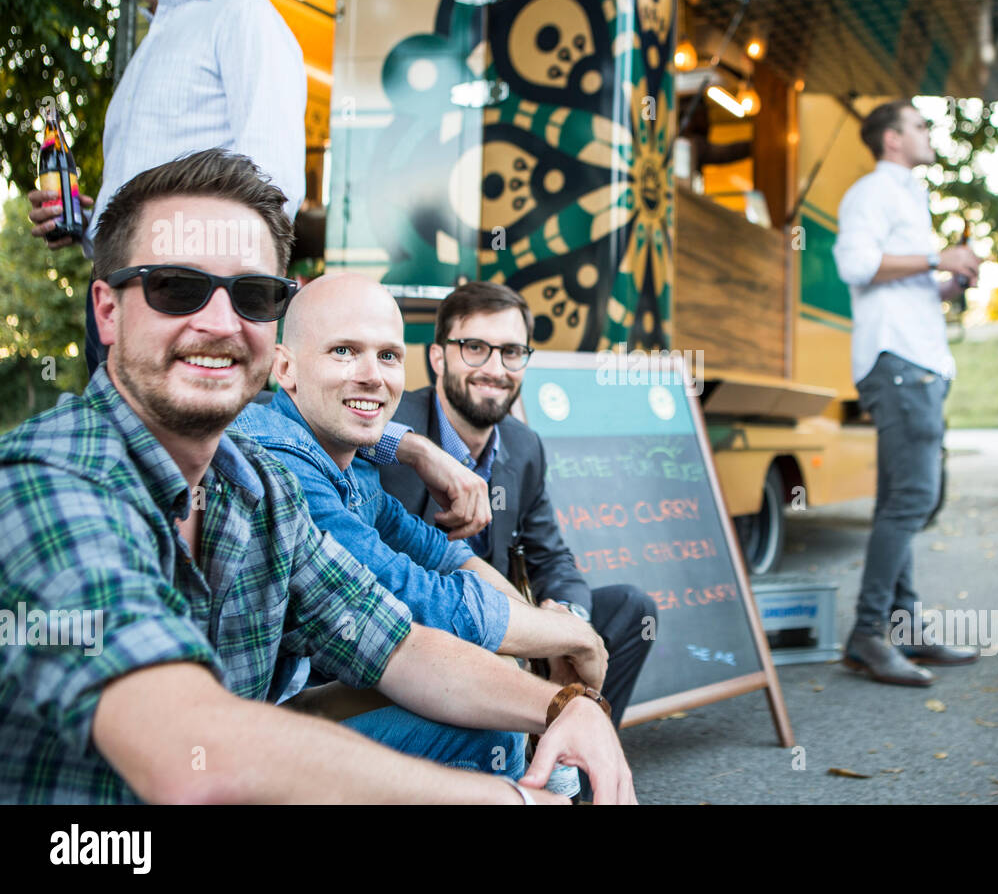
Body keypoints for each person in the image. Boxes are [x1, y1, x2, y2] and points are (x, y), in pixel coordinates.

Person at [0, 150, 634, 803]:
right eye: (176, 287)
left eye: (252, 295)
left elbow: (398, 644)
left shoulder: (255, 488)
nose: (219, 323)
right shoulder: (47, 485)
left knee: (488, 731)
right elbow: (189, 755)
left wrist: (563, 707)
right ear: (107, 312)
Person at [231, 275, 614, 768]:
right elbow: (410, 597)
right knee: (491, 723)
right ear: (285, 366)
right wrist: (565, 640)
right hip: (231, 741)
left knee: (522, 672)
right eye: (344, 351)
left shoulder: (357, 454)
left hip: (294, 696)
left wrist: (554, 631)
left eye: (388, 356)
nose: (372, 374)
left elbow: (444, 554)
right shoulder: (286, 463)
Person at [379, 282, 657, 728]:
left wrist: (568, 622)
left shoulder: (525, 446)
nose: (495, 368)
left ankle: (573, 778)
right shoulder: (394, 421)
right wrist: (420, 451)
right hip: (425, 633)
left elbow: (552, 557)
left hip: (513, 623)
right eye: (474, 348)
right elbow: (312, 416)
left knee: (631, 609)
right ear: (437, 357)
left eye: (511, 352)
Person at [28, 0, 306, 377]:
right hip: (121, 292)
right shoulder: (151, 44)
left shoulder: (240, 14)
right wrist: (93, 220)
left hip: (183, 297)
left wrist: (224, 297)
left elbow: (274, 180)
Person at [831, 99, 983, 687]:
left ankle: (903, 627)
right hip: (900, 364)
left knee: (900, 499)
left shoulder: (907, 196)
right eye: (920, 125)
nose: (929, 133)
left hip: (913, 361)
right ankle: (870, 633)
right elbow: (855, 264)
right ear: (892, 139)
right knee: (913, 499)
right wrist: (935, 256)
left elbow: (894, 281)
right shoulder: (873, 191)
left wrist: (943, 285)